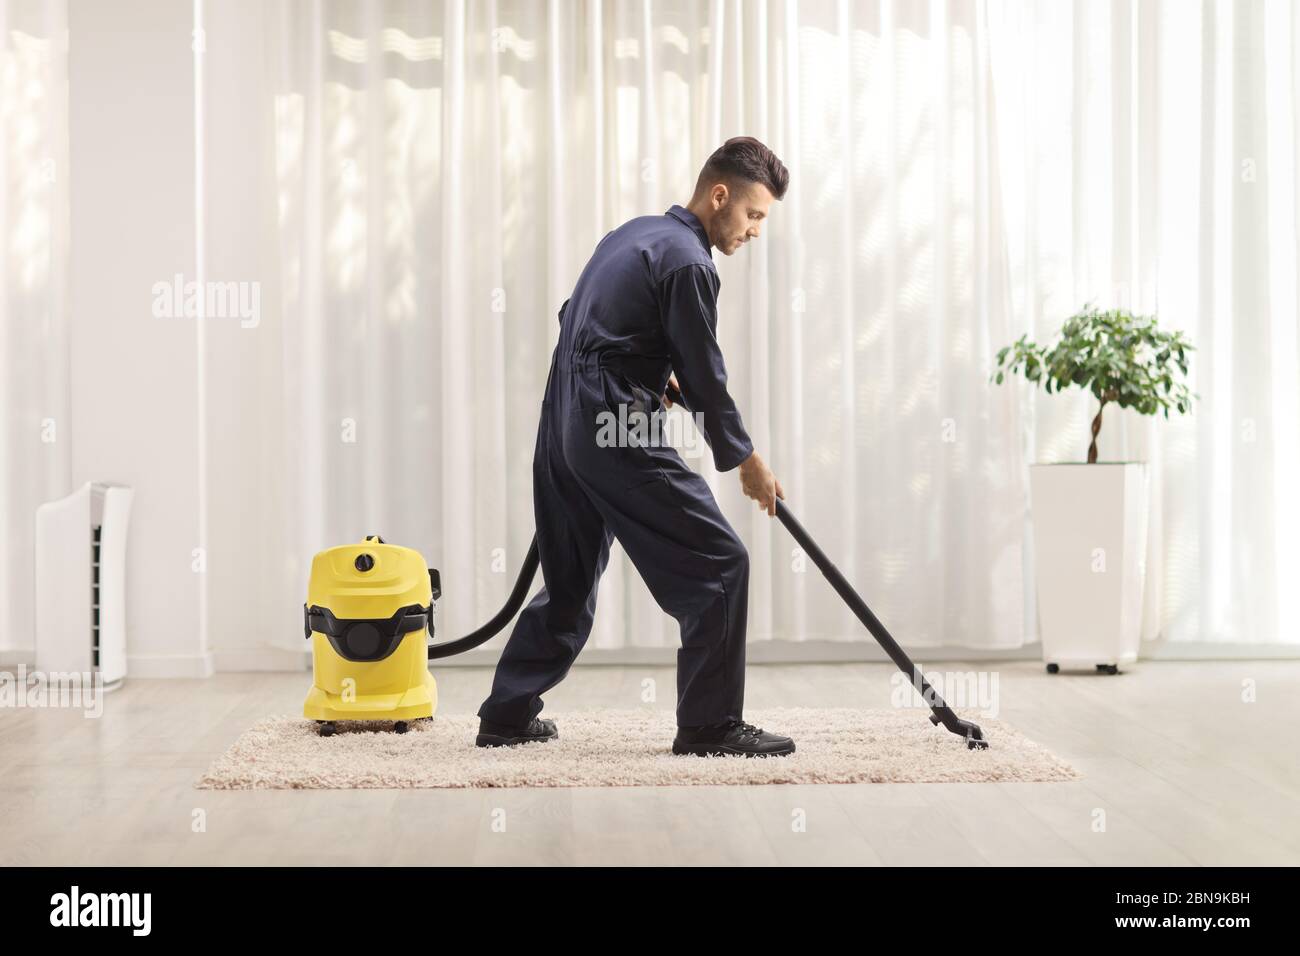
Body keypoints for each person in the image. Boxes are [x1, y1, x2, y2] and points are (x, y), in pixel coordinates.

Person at [476, 137, 794, 757]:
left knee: (568, 579)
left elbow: (585, 317)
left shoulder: (635, 234)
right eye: (754, 215)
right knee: (721, 565)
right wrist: (745, 461)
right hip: (612, 423)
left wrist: (647, 376)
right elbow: (706, 374)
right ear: (720, 195)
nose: (756, 231)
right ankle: (709, 726)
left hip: (564, 415)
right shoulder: (690, 263)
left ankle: (506, 715)